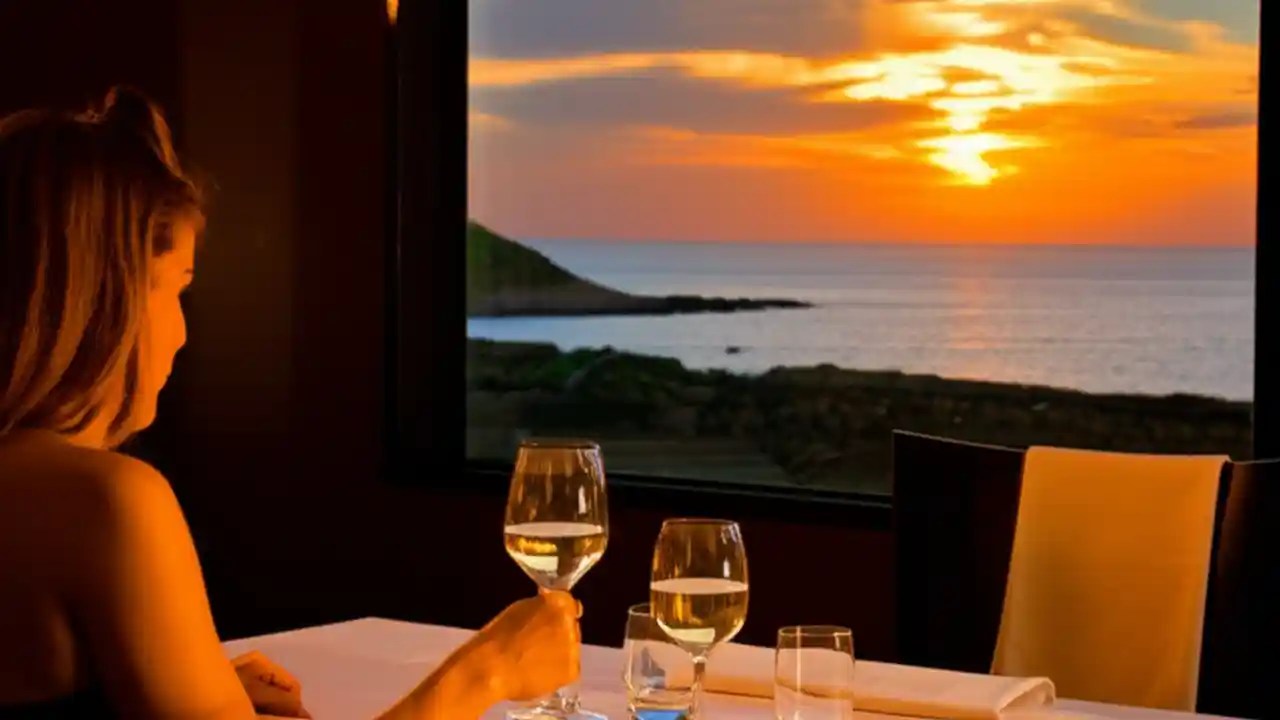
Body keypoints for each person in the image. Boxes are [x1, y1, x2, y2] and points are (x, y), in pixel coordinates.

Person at [0, 87, 580, 719]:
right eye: (174, 290)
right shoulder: (105, 503)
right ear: (101, 301)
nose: (181, 333)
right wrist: (485, 671)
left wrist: (184, 680)